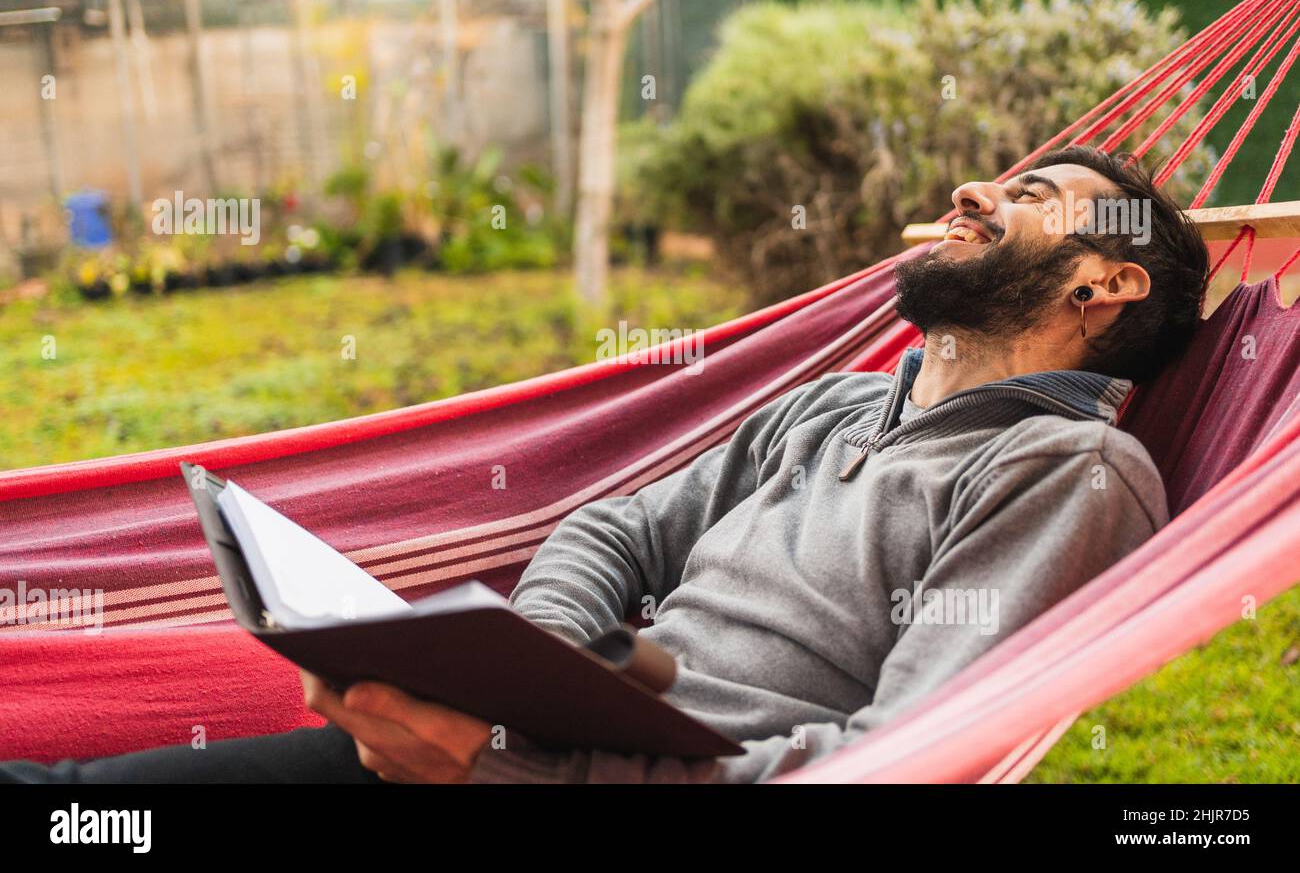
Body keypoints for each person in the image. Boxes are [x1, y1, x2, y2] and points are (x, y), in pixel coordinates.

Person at [1, 145, 1208, 784]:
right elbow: (609, 530)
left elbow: (899, 763)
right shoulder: (835, 407)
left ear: (1105, 284)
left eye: (1033, 195)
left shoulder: (1064, 471)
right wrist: (547, 661)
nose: (972, 190)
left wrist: (518, 761)